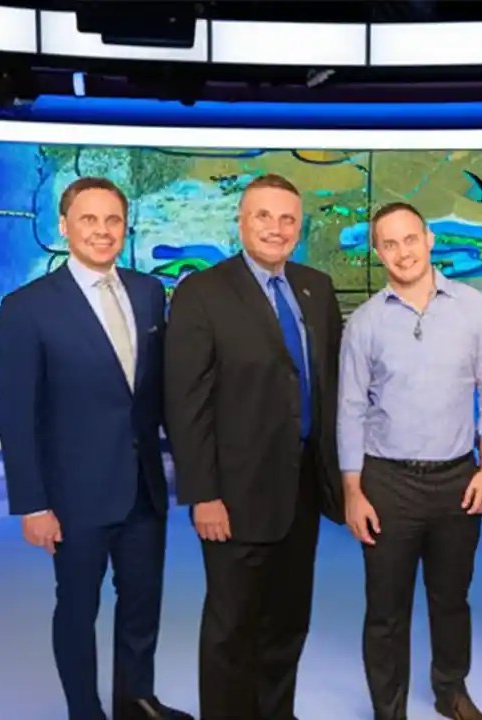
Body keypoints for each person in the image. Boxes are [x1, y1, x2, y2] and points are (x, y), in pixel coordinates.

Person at [0, 177, 191, 720]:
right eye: (89, 219)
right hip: (74, 495)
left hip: (142, 488)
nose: (102, 231)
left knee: (142, 603)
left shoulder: (149, 292)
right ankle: (85, 711)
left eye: (112, 221)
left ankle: (136, 701)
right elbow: (15, 416)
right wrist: (32, 504)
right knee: (78, 610)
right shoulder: (27, 307)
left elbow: (154, 392)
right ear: (64, 226)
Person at [163, 173, 346, 720]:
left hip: (303, 488)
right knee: (232, 627)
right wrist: (203, 494)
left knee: (288, 621)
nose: (276, 228)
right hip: (234, 495)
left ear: (300, 228)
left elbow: (329, 384)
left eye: (288, 219)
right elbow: (186, 404)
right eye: (263, 216)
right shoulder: (203, 292)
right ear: (241, 222)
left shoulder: (316, 289)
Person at [338, 202, 482, 720]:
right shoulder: (364, 323)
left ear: (429, 239)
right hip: (387, 482)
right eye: (389, 244)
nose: (402, 252)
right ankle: (388, 708)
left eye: (410, 239)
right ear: (377, 252)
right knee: (385, 609)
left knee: (451, 599)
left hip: (458, 478)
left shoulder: (475, 309)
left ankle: (450, 691)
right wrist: (353, 492)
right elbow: (350, 409)